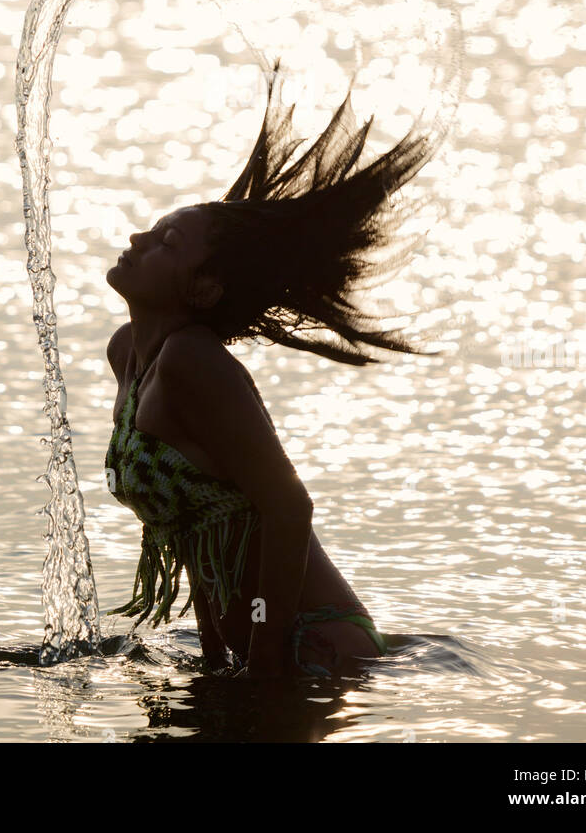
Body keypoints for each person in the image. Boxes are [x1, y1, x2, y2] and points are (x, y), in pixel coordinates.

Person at [103, 57, 442, 679]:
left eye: (165, 243)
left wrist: (262, 664)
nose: (137, 239)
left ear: (203, 290)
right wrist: (217, 660)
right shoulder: (128, 353)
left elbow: (288, 506)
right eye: (153, 231)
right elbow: (196, 532)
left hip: (313, 643)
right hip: (249, 647)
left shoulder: (192, 361)